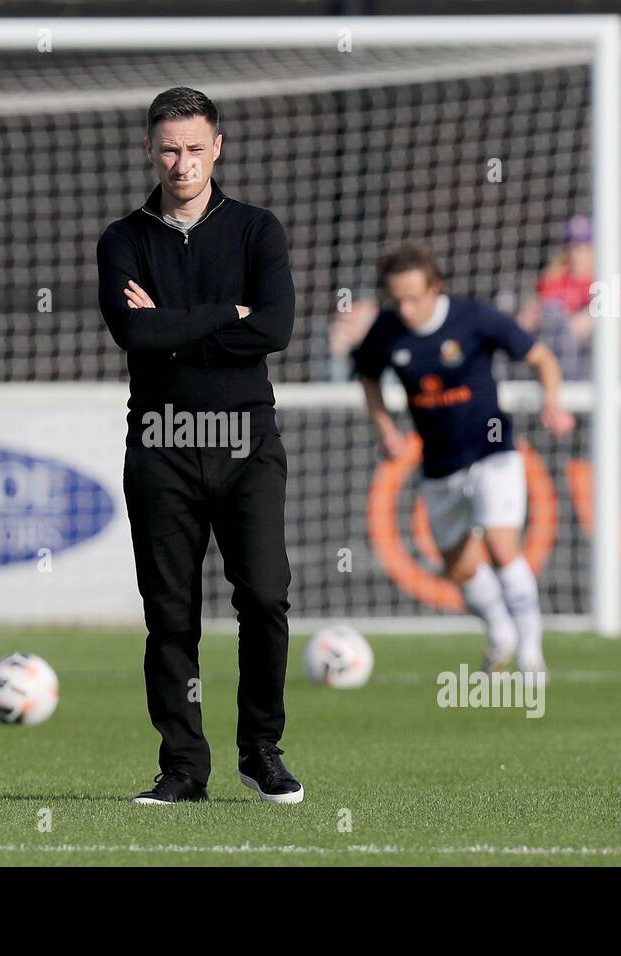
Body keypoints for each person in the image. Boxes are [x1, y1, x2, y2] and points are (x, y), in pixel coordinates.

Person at [96, 87, 303, 805]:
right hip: (160, 445)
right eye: (168, 149)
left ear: (217, 147)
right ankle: (184, 767)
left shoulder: (256, 230)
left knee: (266, 597)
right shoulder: (124, 240)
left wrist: (178, 326)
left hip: (247, 440)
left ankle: (261, 749)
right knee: (171, 614)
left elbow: (274, 329)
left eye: (194, 148)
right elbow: (134, 334)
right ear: (149, 150)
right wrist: (226, 315)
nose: (181, 163)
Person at [350, 244, 574, 676]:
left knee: (501, 545)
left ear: (436, 287)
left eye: (415, 297)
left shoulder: (474, 318)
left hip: (493, 453)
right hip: (439, 466)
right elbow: (368, 376)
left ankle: (532, 655)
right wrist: (387, 430)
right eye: (398, 300)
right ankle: (500, 632)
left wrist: (552, 402)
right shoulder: (387, 330)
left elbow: (541, 358)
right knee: (459, 567)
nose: (407, 308)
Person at [517, 214, 596, 380]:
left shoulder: (605, 280)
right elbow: (526, 320)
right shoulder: (554, 279)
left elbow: (583, 326)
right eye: (572, 246)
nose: (576, 254)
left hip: (590, 360)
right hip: (552, 354)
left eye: (583, 247)